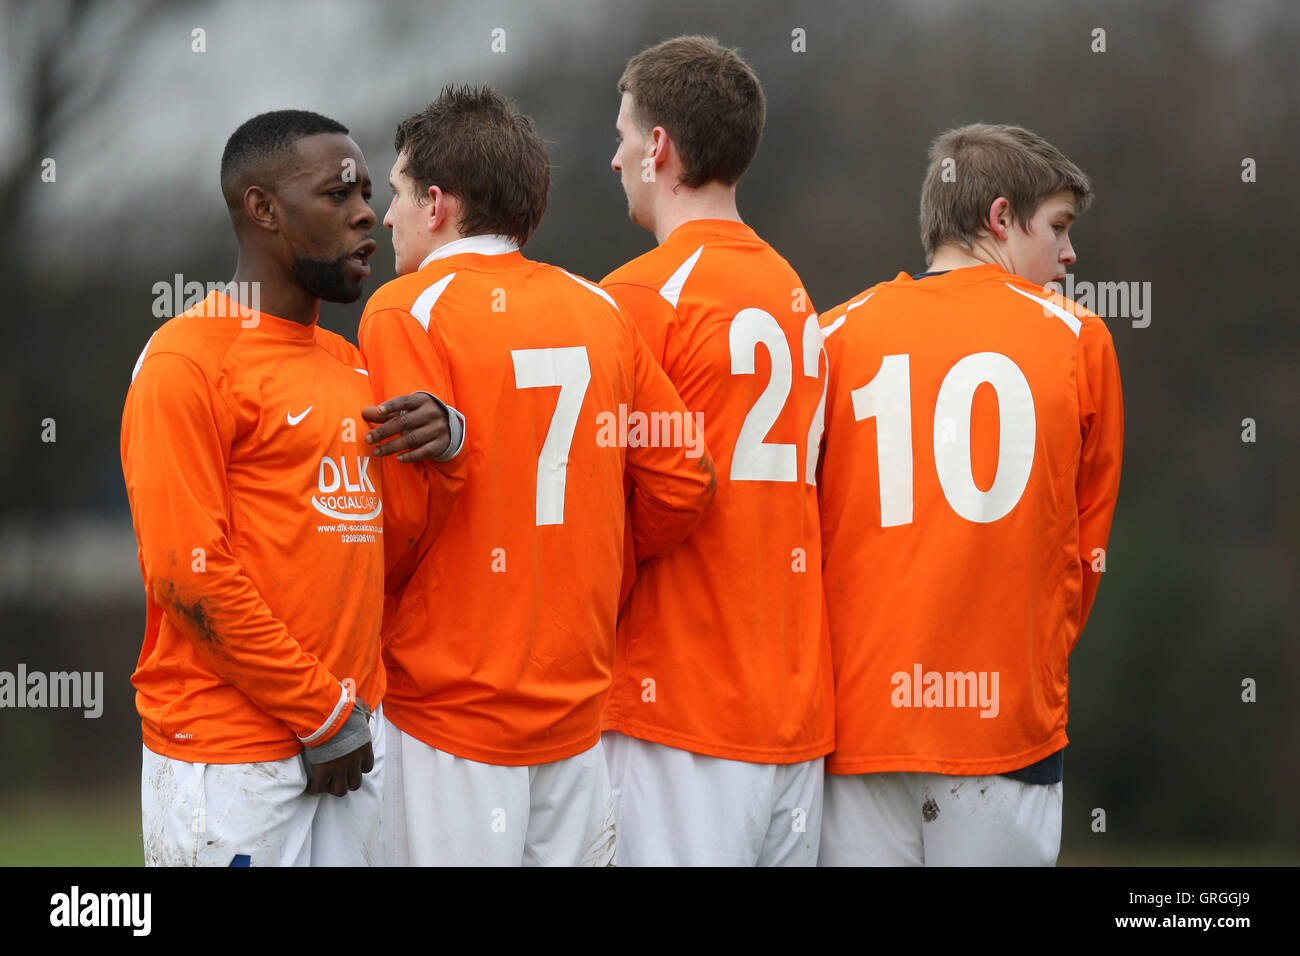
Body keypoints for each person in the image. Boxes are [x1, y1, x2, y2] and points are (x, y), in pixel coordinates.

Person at [359, 85, 716, 866]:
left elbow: (398, 519)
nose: (385, 217)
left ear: (438, 204)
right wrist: (593, 573)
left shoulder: (404, 309)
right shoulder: (600, 308)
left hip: (448, 711)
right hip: (575, 706)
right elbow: (685, 479)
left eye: (396, 194)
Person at [122, 109, 455, 866]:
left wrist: (450, 445)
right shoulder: (187, 361)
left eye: (368, 191)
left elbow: (389, 555)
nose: (366, 210)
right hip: (231, 755)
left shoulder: (355, 367)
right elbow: (186, 571)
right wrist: (319, 713)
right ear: (263, 209)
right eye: (337, 194)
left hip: (349, 743)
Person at [815, 123, 1124, 866]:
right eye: (1056, 227)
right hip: (1002, 725)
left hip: (859, 728)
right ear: (999, 218)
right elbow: (1084, 556)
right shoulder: (1077, 338)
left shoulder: (832, 336)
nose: (1070, 255)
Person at [599, 36, 833, 866]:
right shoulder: (794, 289)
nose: (616, 155)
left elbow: (609, 508)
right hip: (795, 708)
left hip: (682, 701)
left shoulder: (633, 297)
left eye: (624, 133)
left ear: (658, 146)